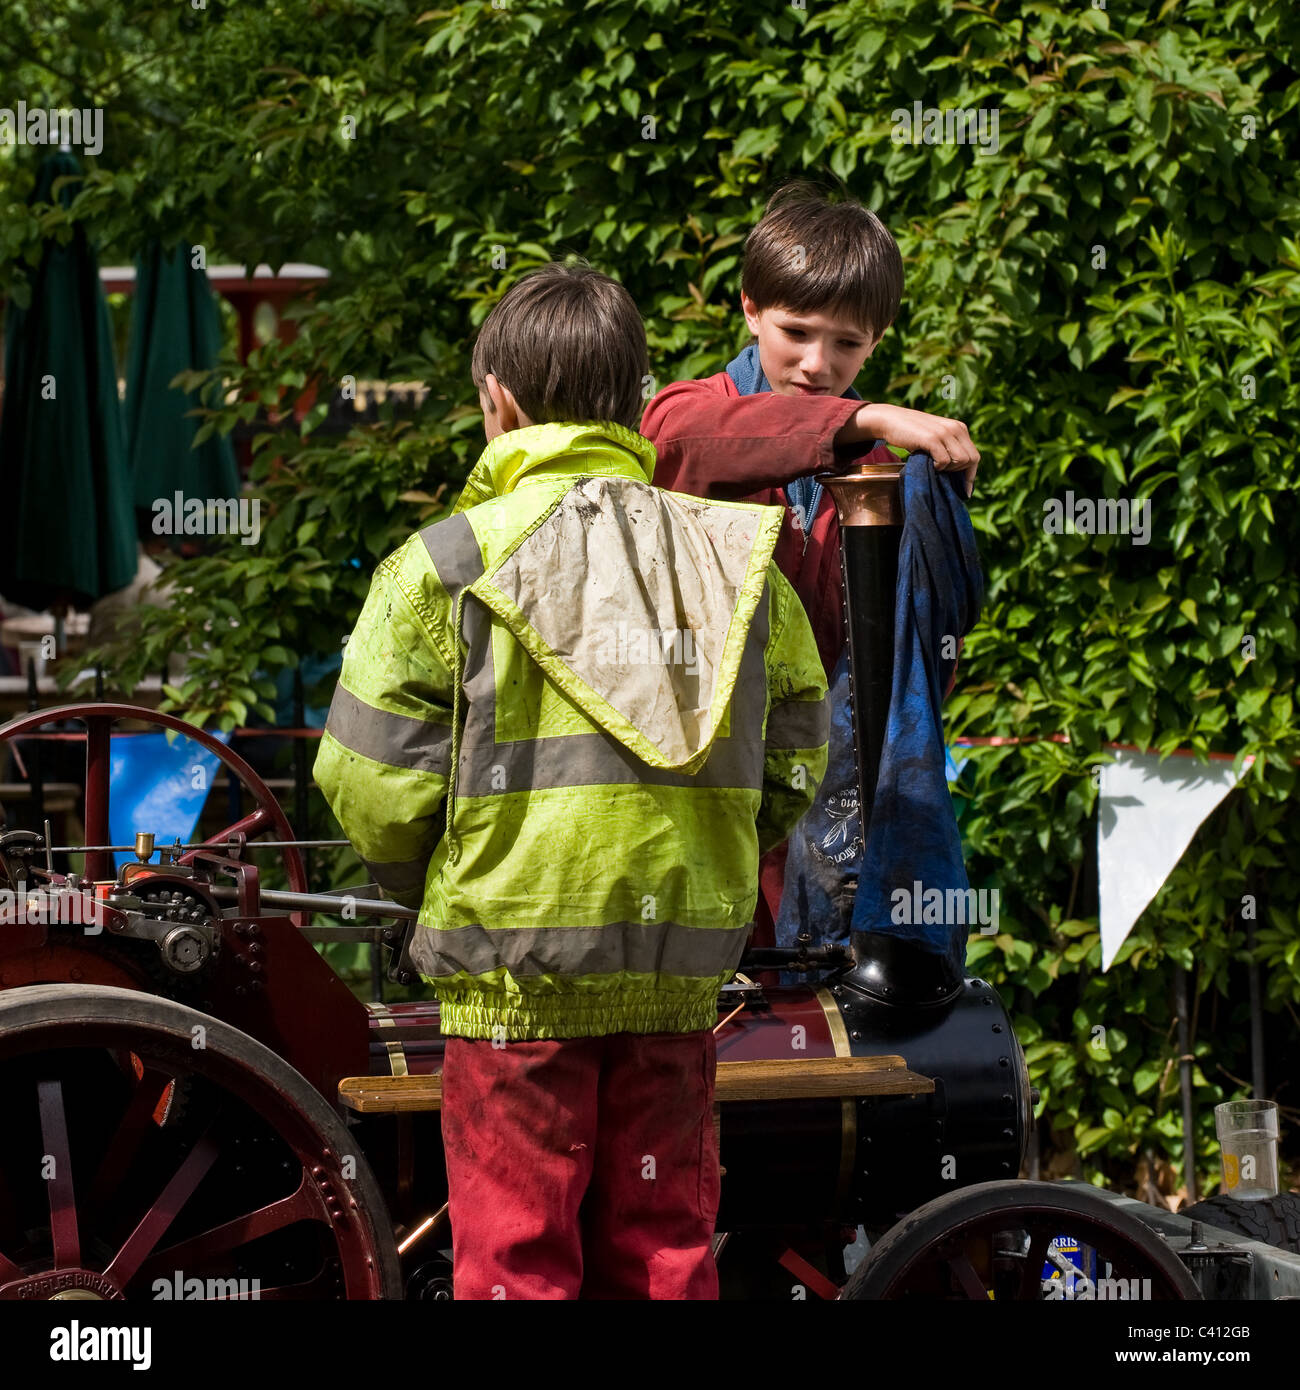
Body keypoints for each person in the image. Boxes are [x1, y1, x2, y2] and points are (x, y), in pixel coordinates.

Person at [314, 262, 830, 1299]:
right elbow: (798, 760)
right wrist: (709, 857)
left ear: (495, 399)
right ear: (637, 400)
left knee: (516, 1264)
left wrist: (443, 883)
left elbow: (367, 781)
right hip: (677, 976)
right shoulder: (742, 566)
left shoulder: (444, 565)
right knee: (663, 1256)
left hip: (512, 986)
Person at [642, 182, 980, 960]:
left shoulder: (890, 470)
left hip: (816, 818)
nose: (817, 364)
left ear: (879, 338)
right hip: (693, 800)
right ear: (750, 308)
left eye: (848, 345)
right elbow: (682, 440)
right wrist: (861, 419)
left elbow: (900, 660)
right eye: (795, 331)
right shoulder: (693, 409)